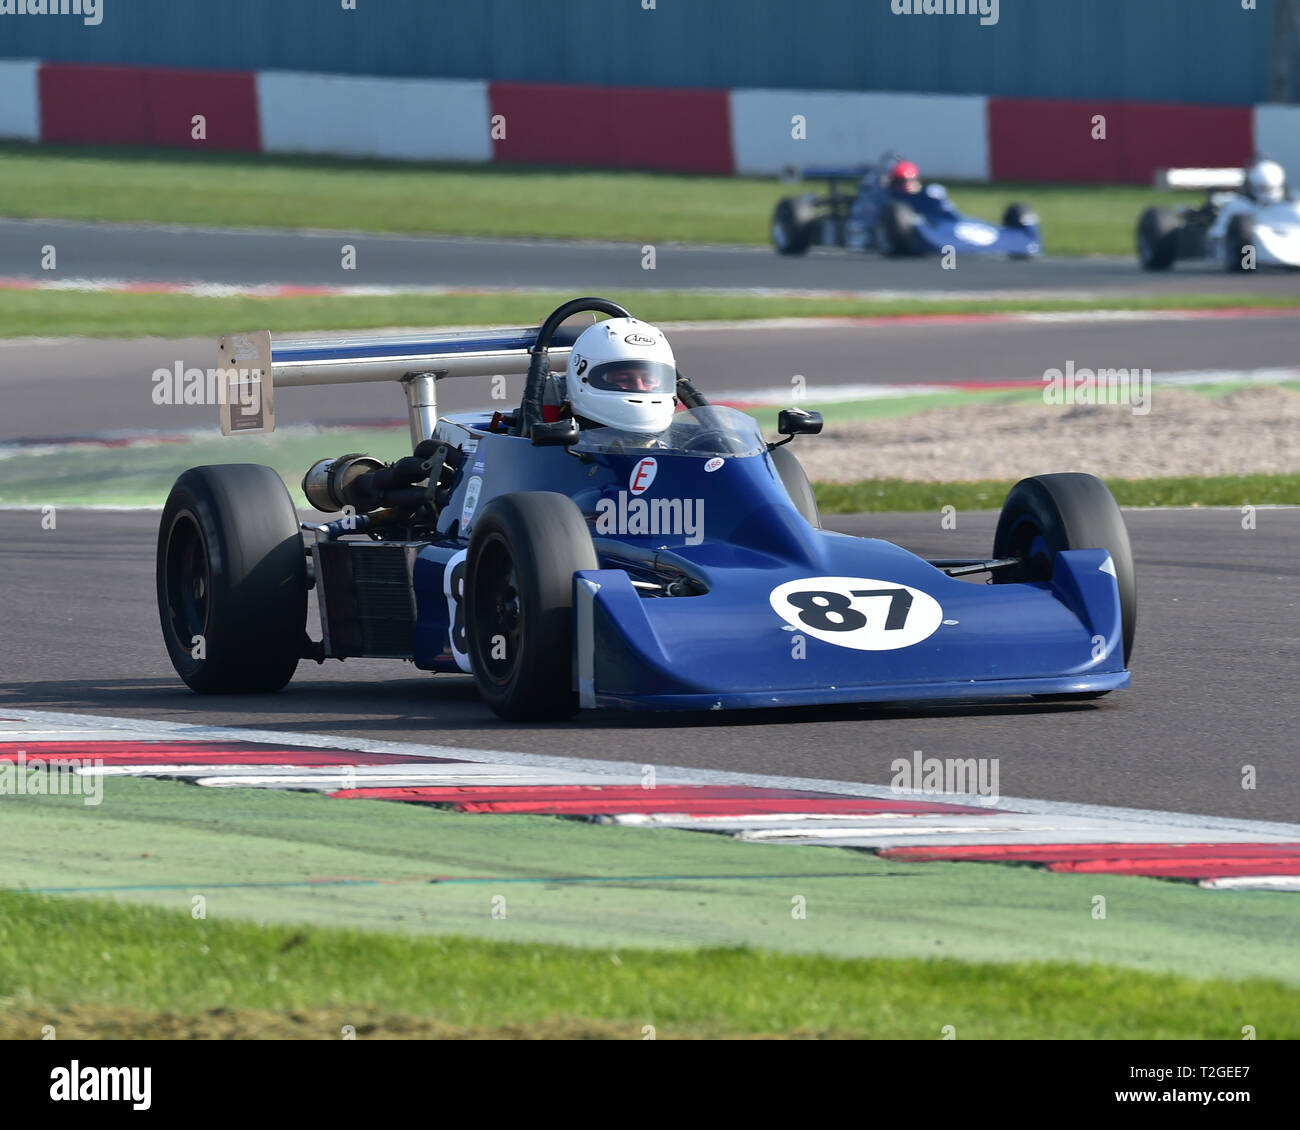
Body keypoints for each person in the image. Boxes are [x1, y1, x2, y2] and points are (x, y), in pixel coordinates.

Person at [551, 317, 679, 434]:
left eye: (649, 380)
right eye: (622, 379)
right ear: (582, 376)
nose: (639, 385)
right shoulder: (549, 441)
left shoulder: (681, 437)